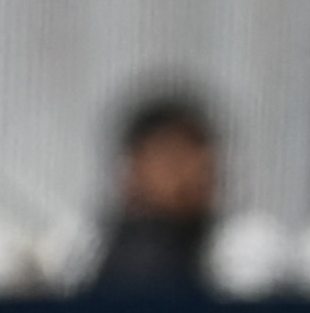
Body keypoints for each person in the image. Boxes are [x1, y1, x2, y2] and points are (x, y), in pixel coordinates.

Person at [87, 85, 220, 297]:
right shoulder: (124, 261)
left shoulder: (231, 253)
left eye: (201, 158)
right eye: (174, 159)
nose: (191, 172)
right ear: (133, 171)